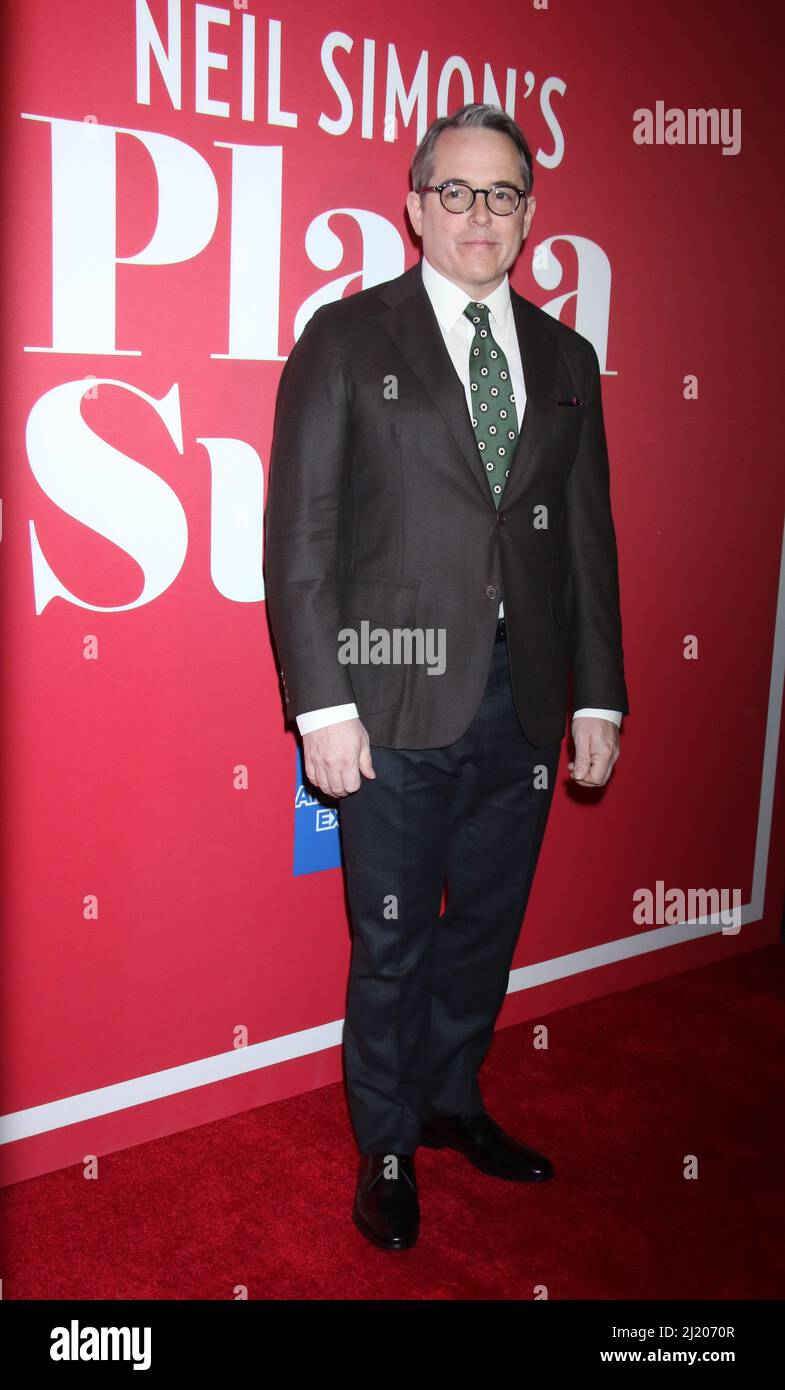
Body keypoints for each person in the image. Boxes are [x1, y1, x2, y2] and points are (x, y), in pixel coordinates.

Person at [264, 103, 629, 1250]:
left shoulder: (565, 359)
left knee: (482, 925)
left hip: (519, 701)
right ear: (416, 206)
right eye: (457, 191)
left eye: (504, 193)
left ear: (528, 216)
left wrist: (598, 692)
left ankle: (449, 1098)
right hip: (387, 696)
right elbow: (302, 534)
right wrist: (321, 702)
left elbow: (585, 542)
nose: (482, 213)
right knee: (392, 934)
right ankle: (382, 1141)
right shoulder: (343, 336)